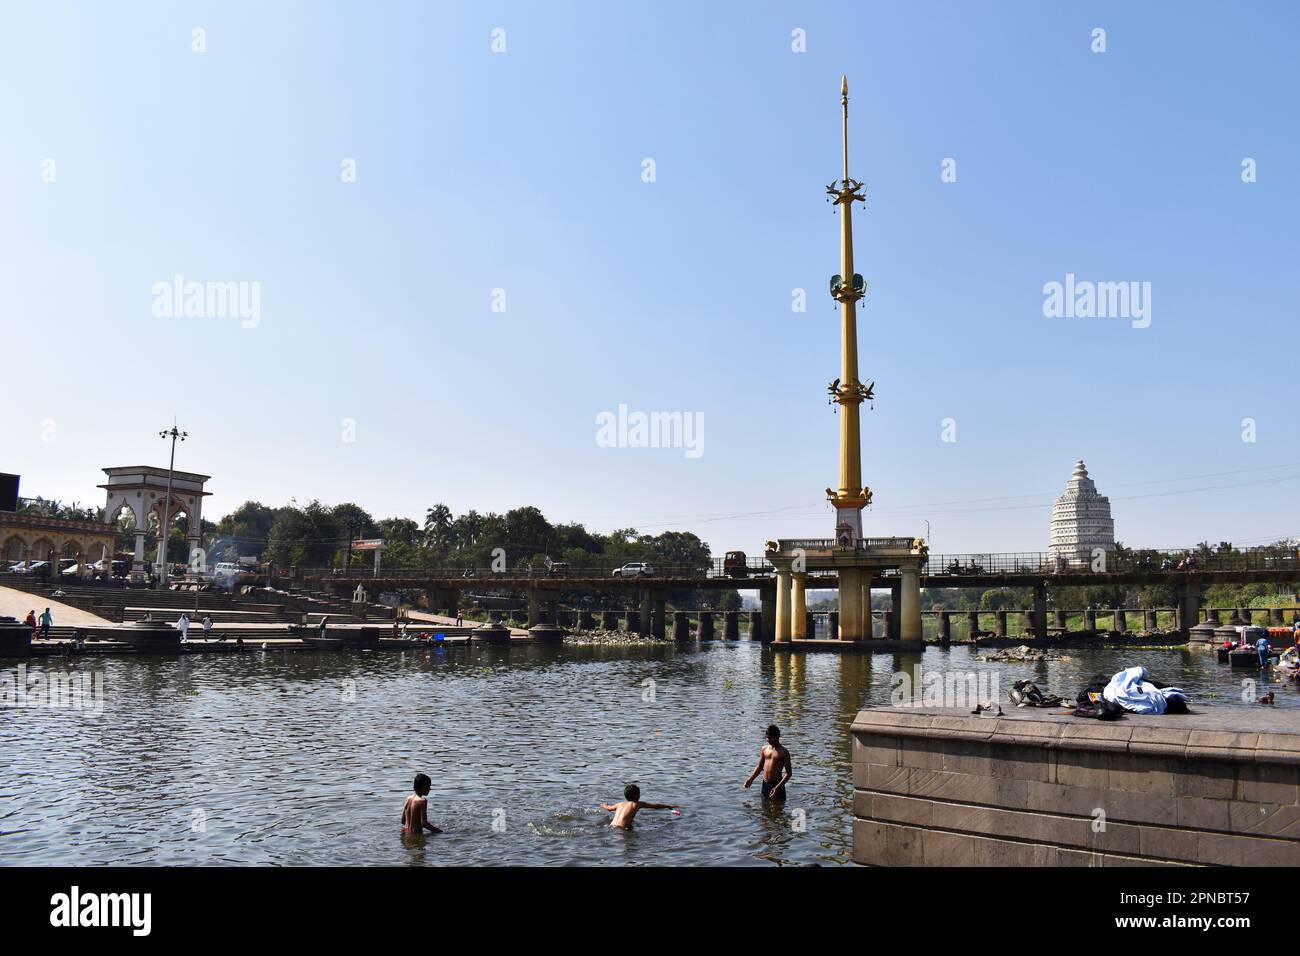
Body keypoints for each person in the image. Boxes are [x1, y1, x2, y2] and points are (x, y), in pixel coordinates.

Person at [743, 724, 793, 801]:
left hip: (777, 784)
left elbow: (788, 773)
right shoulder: (764, 749)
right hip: (765, 784)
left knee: (778, 810)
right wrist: (750, 779)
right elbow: (759, 767)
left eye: (771, 738)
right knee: (764, 810)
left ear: (777, 737)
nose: (768, 740)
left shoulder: (784, 752)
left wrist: (777, 788)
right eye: (767, 738)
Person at [602, 784, 679, 829]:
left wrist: (604, 805)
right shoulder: (636, 804)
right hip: (623, 829)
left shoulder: (619, 804)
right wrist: (668, 806)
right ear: (637, 796)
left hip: (611, 826)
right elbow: (655, 806)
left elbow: (609, 809)